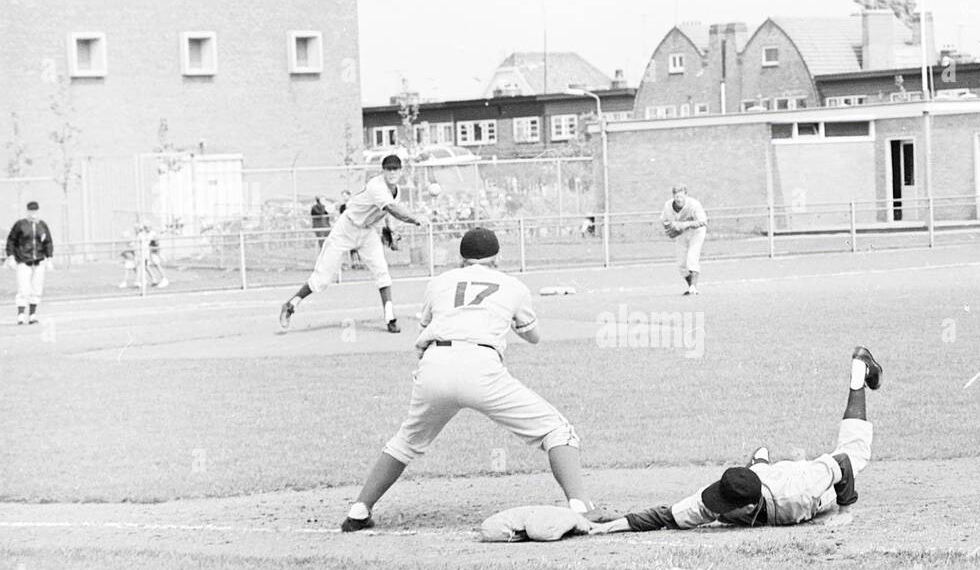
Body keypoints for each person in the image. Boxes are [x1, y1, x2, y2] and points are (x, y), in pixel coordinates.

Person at [340, 226, 594, 532]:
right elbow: (534, 337)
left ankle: (358, 509)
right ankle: (580, 507)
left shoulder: (439, 282)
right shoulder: (512, 285)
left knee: (406, 442)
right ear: (496, 258)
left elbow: (429, 323)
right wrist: (512, 321)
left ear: (462, 259)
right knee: (557, 431)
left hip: (434, 364)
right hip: (481, 367)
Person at [590, 345, 883, 535]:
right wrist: (608, 528)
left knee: (854, 454)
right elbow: (664, 516)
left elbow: (841, 463)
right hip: (762, 476)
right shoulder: (718, 497)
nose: (715, 507)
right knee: (760, 470)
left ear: (745, 509)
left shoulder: (797, 494)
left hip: (800, 482)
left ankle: (860, 368)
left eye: (722, 502)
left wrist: (845, 512)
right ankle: (759, 461)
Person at [278, 156, 425, 334]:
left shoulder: (396, 190)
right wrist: (415, 219)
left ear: (400, 171)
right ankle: (290, 305)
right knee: (322, 280)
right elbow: (392, 209)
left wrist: (390, 230)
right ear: (383, 171)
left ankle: (390, 318)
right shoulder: (376, 185)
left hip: (367, 232)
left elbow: (388, 212)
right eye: (388, 169)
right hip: (346, 229)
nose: (392, 173)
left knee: (382, 272)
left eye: (395, 169)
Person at [5, 200, 54, 325]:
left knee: (36, 289)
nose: (33, 213)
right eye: (31, 210)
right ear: (27, 211)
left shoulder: (42, 225)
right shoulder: (20, 225)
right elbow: (11, 240)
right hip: (24, 260)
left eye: (35, 210)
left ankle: (32, 315)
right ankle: (21, 314)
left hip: (38, 261)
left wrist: (49, 258)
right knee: (23, 288)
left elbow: (47, 241)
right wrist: (10, 256)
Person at [660, 184, 708, 295]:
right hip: (681, 234)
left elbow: (704, 221)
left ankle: (693, 288)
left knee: (692, 258)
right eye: (676, 196)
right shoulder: (668, 206)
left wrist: (685, 224)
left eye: (681, 196)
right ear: (673, 196)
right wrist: (671, 228)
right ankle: (691, 286)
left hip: (696, 232)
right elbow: (664, 220)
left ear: (686, 195)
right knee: (681, 264)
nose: (679, 199)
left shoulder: (694, 204)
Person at [118, 221, 169, 289]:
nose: (148, 229)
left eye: (149, 227)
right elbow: (138, 243)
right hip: (144, 252)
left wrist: (159, 253)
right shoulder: (141, 234)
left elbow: (156, 242)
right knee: (144, 266)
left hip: (149, 252)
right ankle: (151, 280)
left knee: (153, 265)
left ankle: (162, 279)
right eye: (146, 228)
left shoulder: (152, 233)